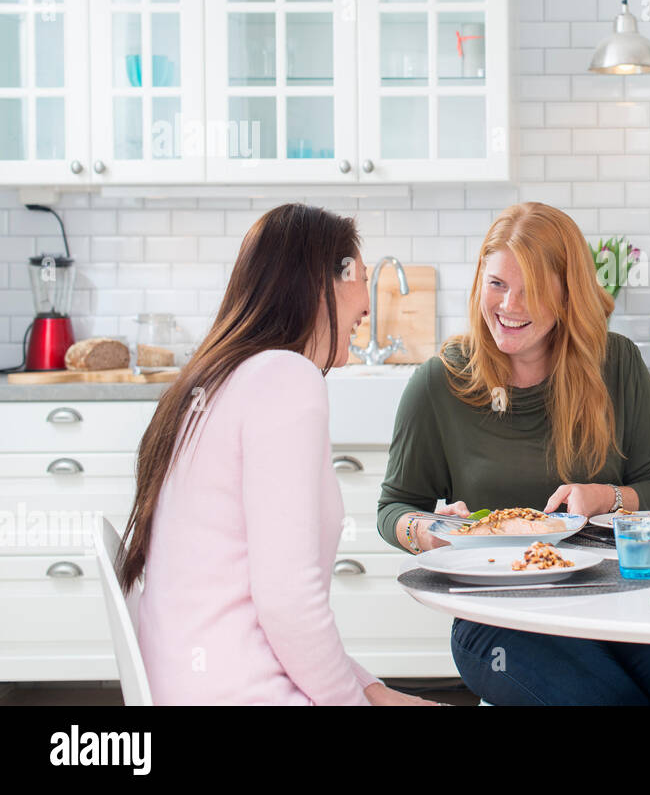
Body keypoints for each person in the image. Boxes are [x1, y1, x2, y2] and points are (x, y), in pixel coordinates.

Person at [378, 202, 650, 705]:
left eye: (532, 288)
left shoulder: (615, 362)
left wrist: (605, 497)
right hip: (500, 613)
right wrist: (426, 530)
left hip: (621, 595)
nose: (509, 305)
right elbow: (394, 507)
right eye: (497, 284)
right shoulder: (440, 382)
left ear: (568, 293)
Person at [125, 204, 433, 705]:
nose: (369, 308)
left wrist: (374, 691)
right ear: (321, 284)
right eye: (359, 277)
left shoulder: (223, 379)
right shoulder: (285, 379)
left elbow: (267, 613)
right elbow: (288, 603)